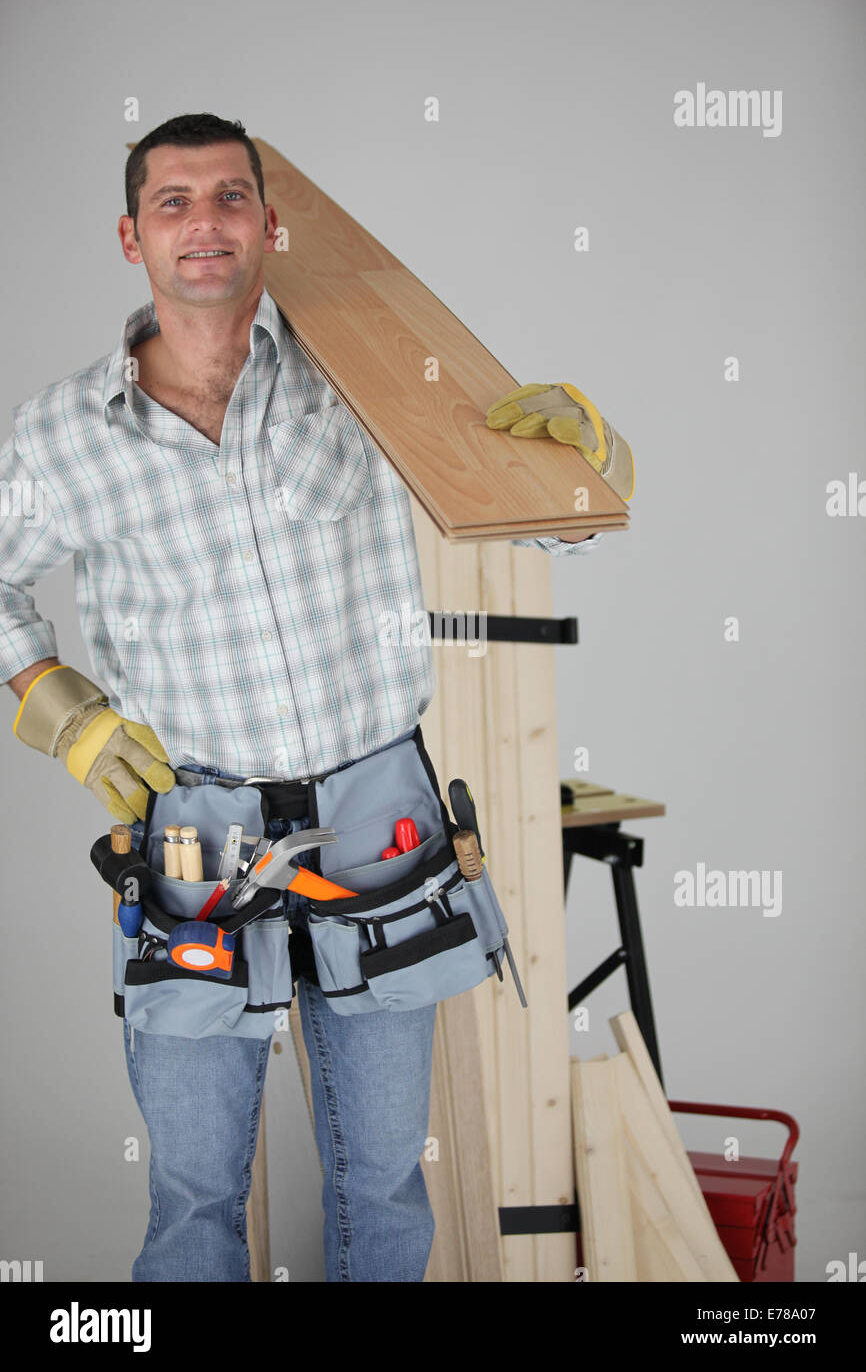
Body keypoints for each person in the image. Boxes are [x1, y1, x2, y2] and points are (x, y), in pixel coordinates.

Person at [0, 112, 614, 1282]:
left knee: (382, 1183)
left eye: (229, 197)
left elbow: (549, 520)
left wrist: (588, 458)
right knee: (190, 1199)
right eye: (172, 202)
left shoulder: (368, 386)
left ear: (271, 227)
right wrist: (58, 707)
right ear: (129, 236)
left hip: (373, 818)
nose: (203, 223)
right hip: (196, 837)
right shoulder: (66, 434)